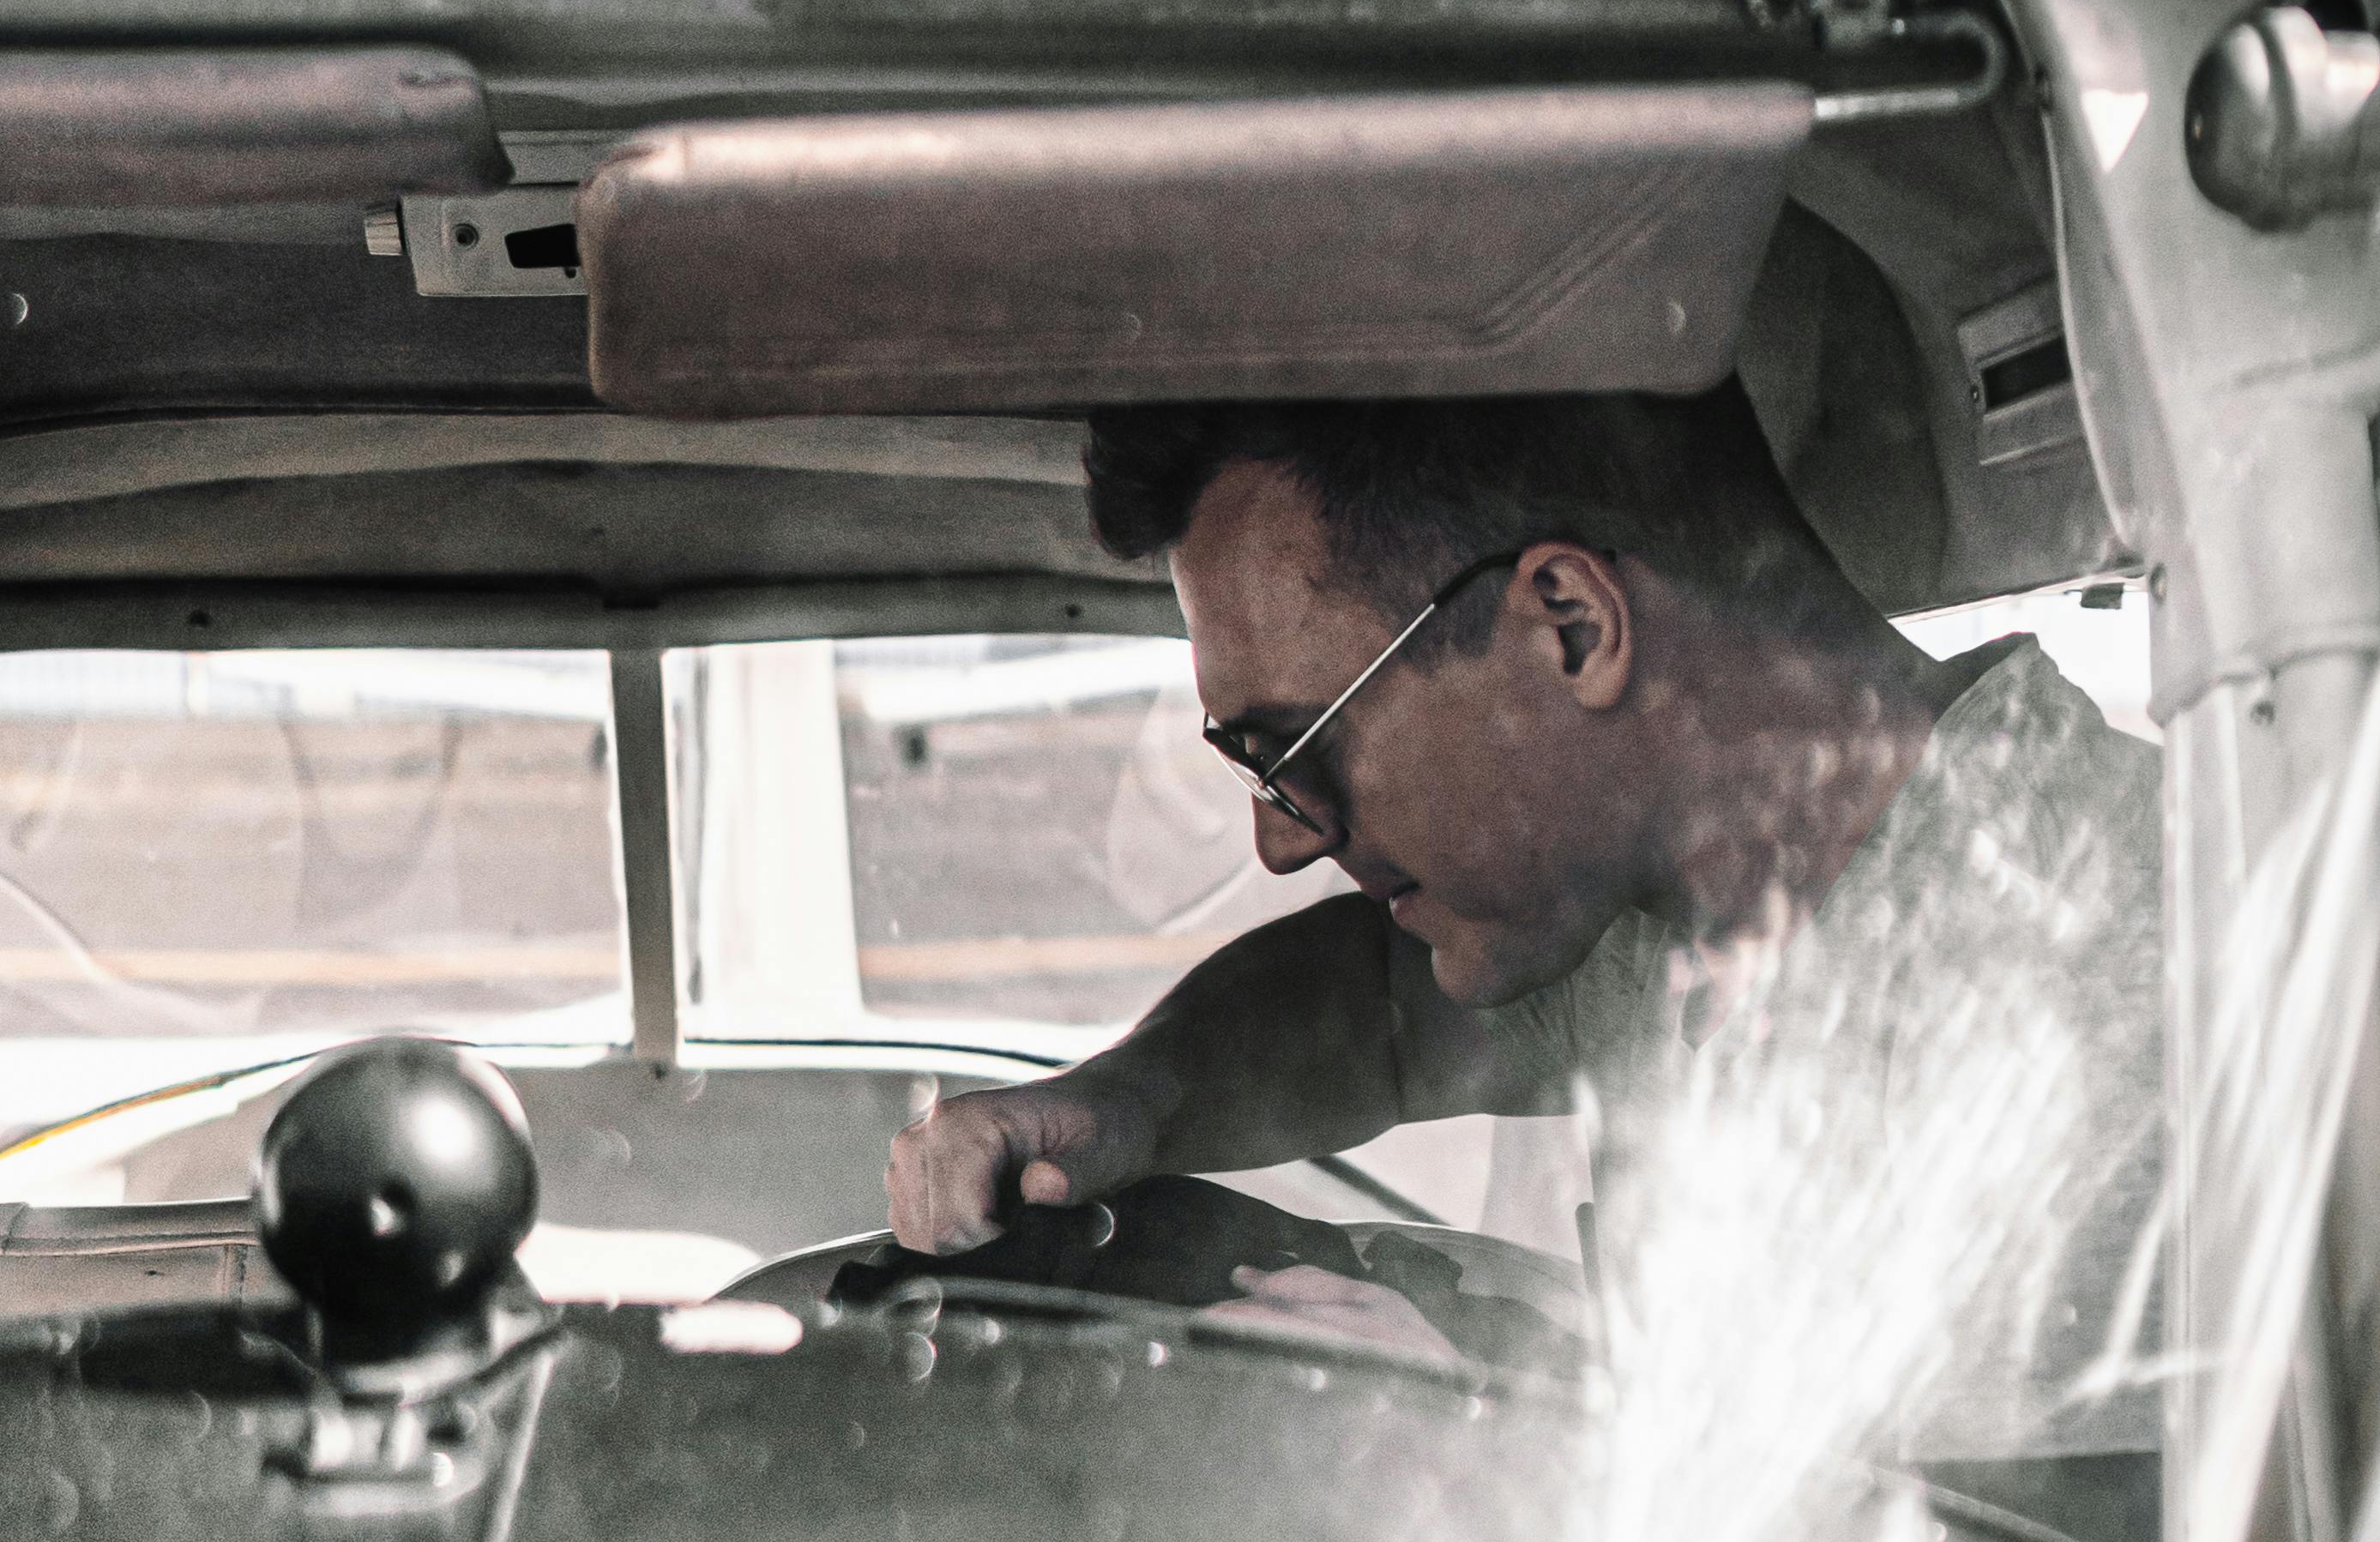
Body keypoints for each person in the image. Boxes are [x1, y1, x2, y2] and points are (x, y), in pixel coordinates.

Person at [880, 388, 2160, 1467]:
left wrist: (1503, 1453)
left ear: (1570, 627)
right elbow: (1379, 1016)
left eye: (1297, 752)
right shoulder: (1689, 909)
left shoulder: (2090, 957)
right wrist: (1134, 1099)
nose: (1280, 840)